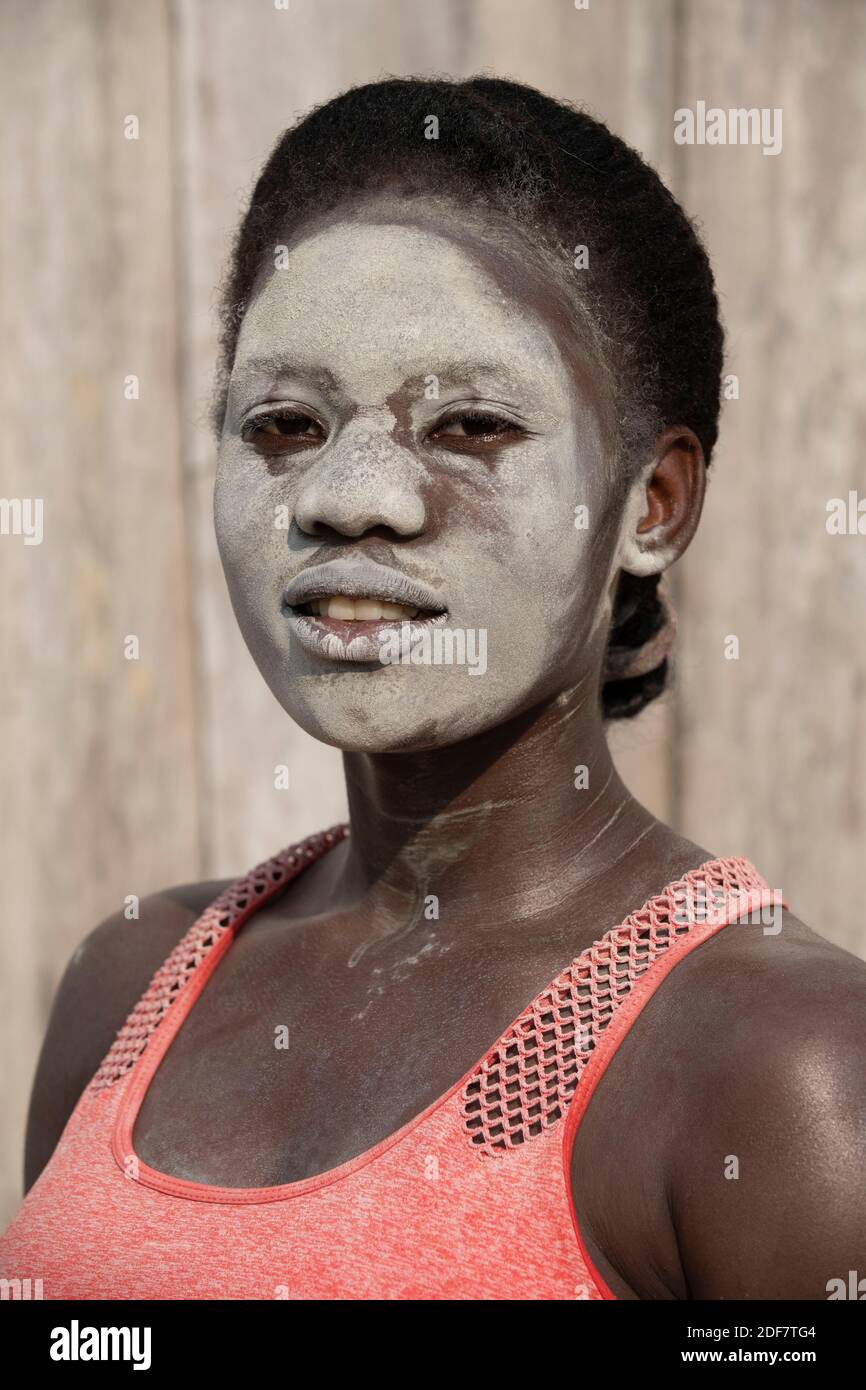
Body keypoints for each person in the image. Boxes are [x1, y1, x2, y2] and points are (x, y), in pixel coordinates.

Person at [2, 77, 864, 1301]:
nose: (349, 494)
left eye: (467, 426)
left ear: (649, 507)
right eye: (284, 424)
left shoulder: (784, 1071)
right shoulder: (132, 984)